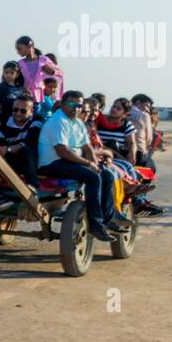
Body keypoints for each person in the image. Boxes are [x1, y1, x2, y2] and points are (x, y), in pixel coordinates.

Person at [36, 90, 132, 241]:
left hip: (68, 162)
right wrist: (88, 164)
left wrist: (94, 163)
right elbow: (62, 151)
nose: (76, 108)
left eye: (79, 105)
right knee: (93, 177)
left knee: (105, 174)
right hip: (52, 164)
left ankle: (108, 220)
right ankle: (95, 225)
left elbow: (87, 148)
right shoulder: (58, 121)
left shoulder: (78, 122)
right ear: (62, 104)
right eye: (71, 104)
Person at [0, 95, 41, 186]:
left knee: (26, 150)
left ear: (31, 111)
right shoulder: (4, 121)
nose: (18, 113)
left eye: (23, 111)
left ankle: (32, 185)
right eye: (15, 109)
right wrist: (8, 149)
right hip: (10, 159)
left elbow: (30, 140)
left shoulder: (36, 121)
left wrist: (11, 148)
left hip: (31, 160)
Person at [15, 37, 65, 103]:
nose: (18, 52)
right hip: (25, 97)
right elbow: (16, 80)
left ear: (30, 46)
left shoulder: (44, 60)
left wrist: (52, 71)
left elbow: (60, 74)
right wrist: (22, 88)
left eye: (20, 49)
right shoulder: (20, 63)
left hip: (40, 97)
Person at [128, 94, 157, 172]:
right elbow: (149, 139)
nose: (147, 109)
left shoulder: (122, 112)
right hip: (138, 153)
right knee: (151, 166)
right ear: (138, 102)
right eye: (146, 106)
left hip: (118, 151)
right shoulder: (144, 115)